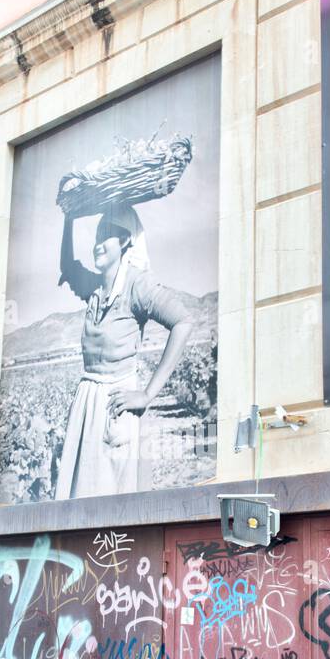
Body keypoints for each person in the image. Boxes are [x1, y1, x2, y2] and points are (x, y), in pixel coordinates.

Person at [54, 202, 193, 499]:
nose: (97, 244)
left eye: (107, 235)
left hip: (116, 406)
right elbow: (67, 265)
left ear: (125, 241)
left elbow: (183, 322)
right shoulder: (94, 286)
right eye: (97, 234)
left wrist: (147, 394)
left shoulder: (136, 286)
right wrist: (69, 219)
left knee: (109, 499)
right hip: (88, 403)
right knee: (81, 498)